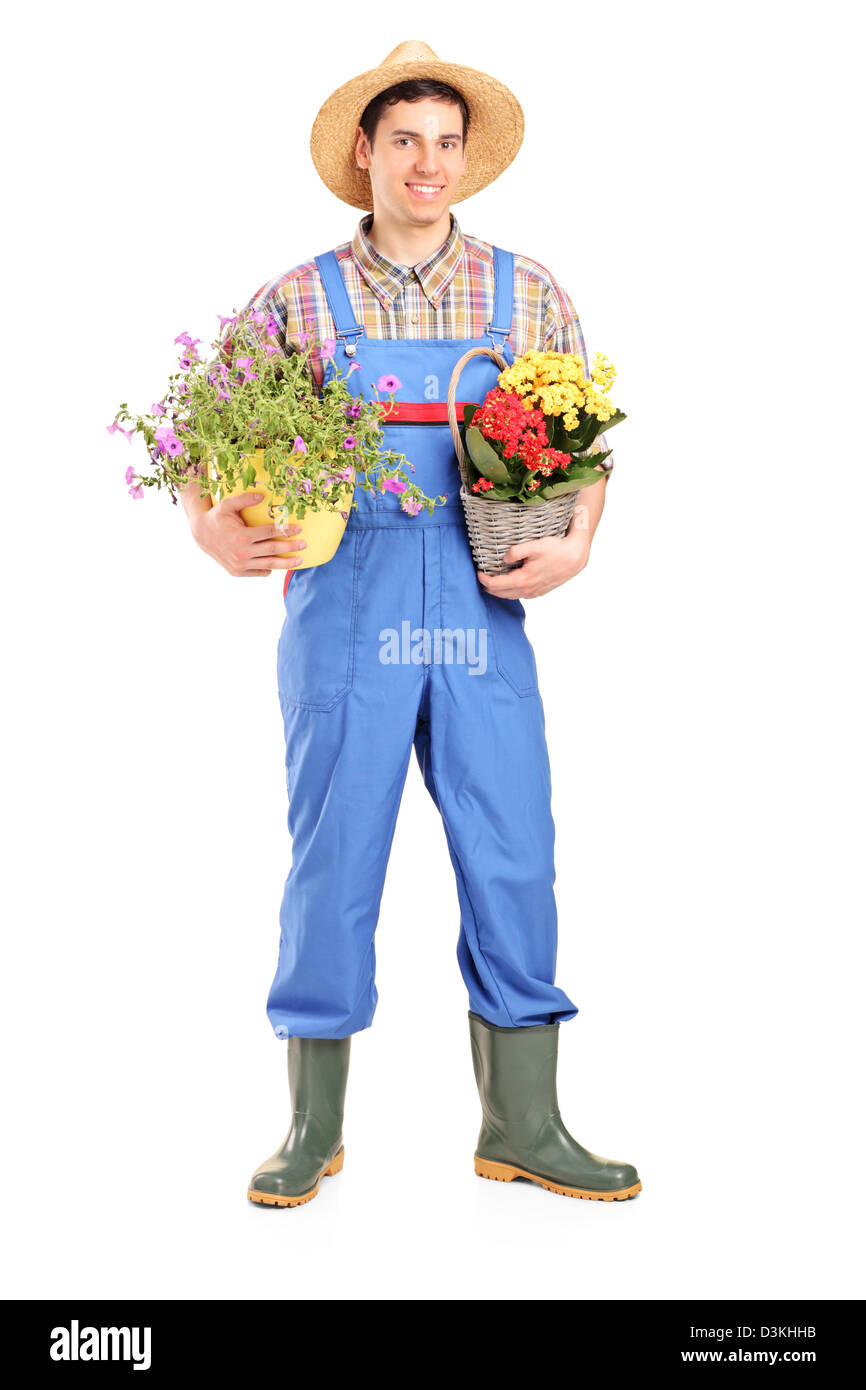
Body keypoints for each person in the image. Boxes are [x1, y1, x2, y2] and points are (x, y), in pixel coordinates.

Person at [180, 41, 641, 1208]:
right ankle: (310, 1125)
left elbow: (587, 443)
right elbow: (204, 440)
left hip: (482, 612)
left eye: (444, 142)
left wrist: (579, 538)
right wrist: (209, 526)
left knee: (513, 852)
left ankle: (523, 1124)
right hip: (345, 610)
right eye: (404, 142)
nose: (427, 163)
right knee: (334, 861)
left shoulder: (527, 291)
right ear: (363, 154)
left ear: (463, 156)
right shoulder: (296, 299)